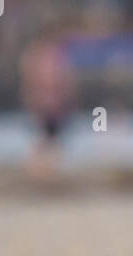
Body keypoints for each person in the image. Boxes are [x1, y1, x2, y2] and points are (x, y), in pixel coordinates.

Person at [20, 31, 75, 182]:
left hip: (53, 110)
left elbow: (63, 84)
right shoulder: (41, 57)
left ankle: (47, 172)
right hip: (45, 109)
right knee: (45, 142)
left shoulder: (54, 58)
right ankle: (42, 172)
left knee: (52, 143)